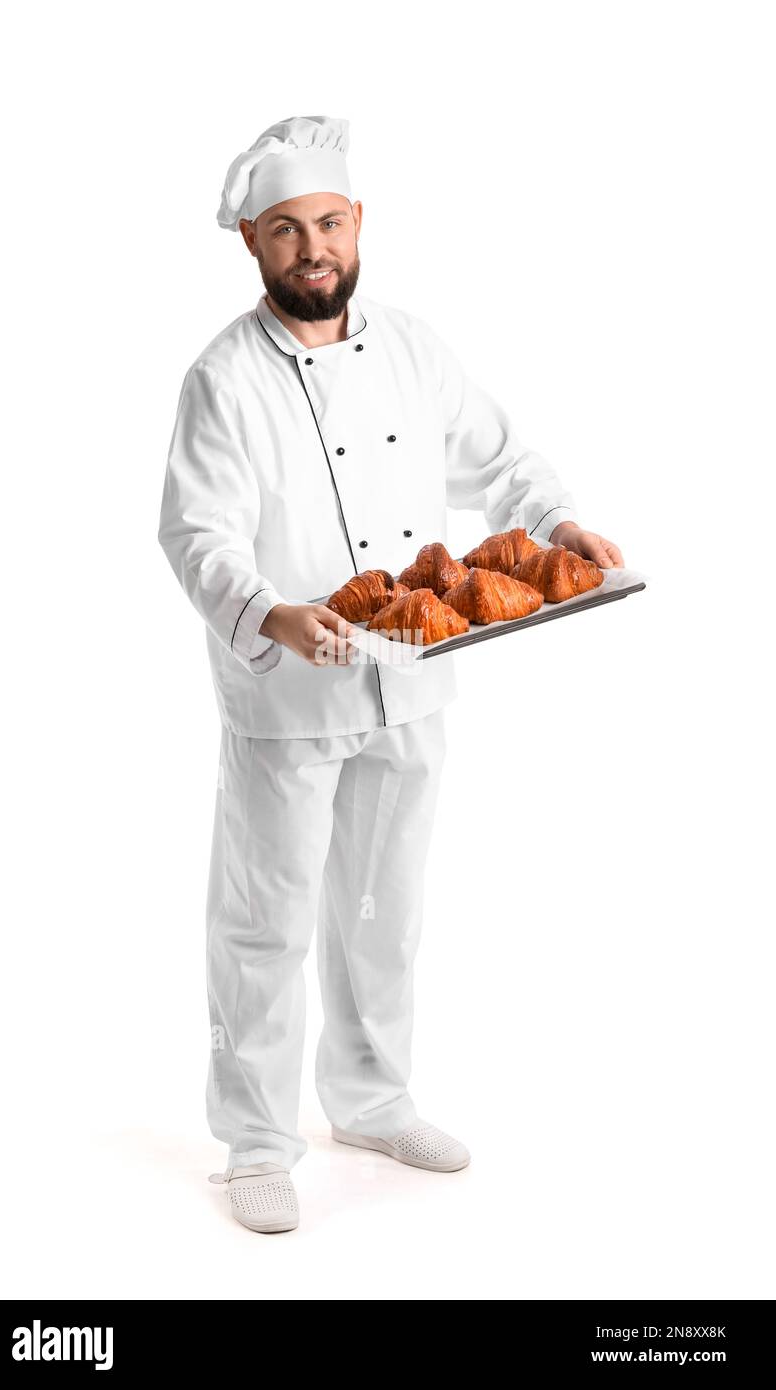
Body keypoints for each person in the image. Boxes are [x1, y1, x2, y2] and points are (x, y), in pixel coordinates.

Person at [158, 115, 624, 1235]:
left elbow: (500, 461)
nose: (310, 248)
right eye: (285, 231)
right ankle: (257, 1140)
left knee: (382, 911)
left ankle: (370, 1099)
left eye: (326, 223)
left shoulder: (414, 349)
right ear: (253, 247)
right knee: (264, 923)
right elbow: (197, 533)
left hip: (415, 676)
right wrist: (271, 608)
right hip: (287, 693)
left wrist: (560, 521)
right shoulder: (223, 380)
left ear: (356, 224)